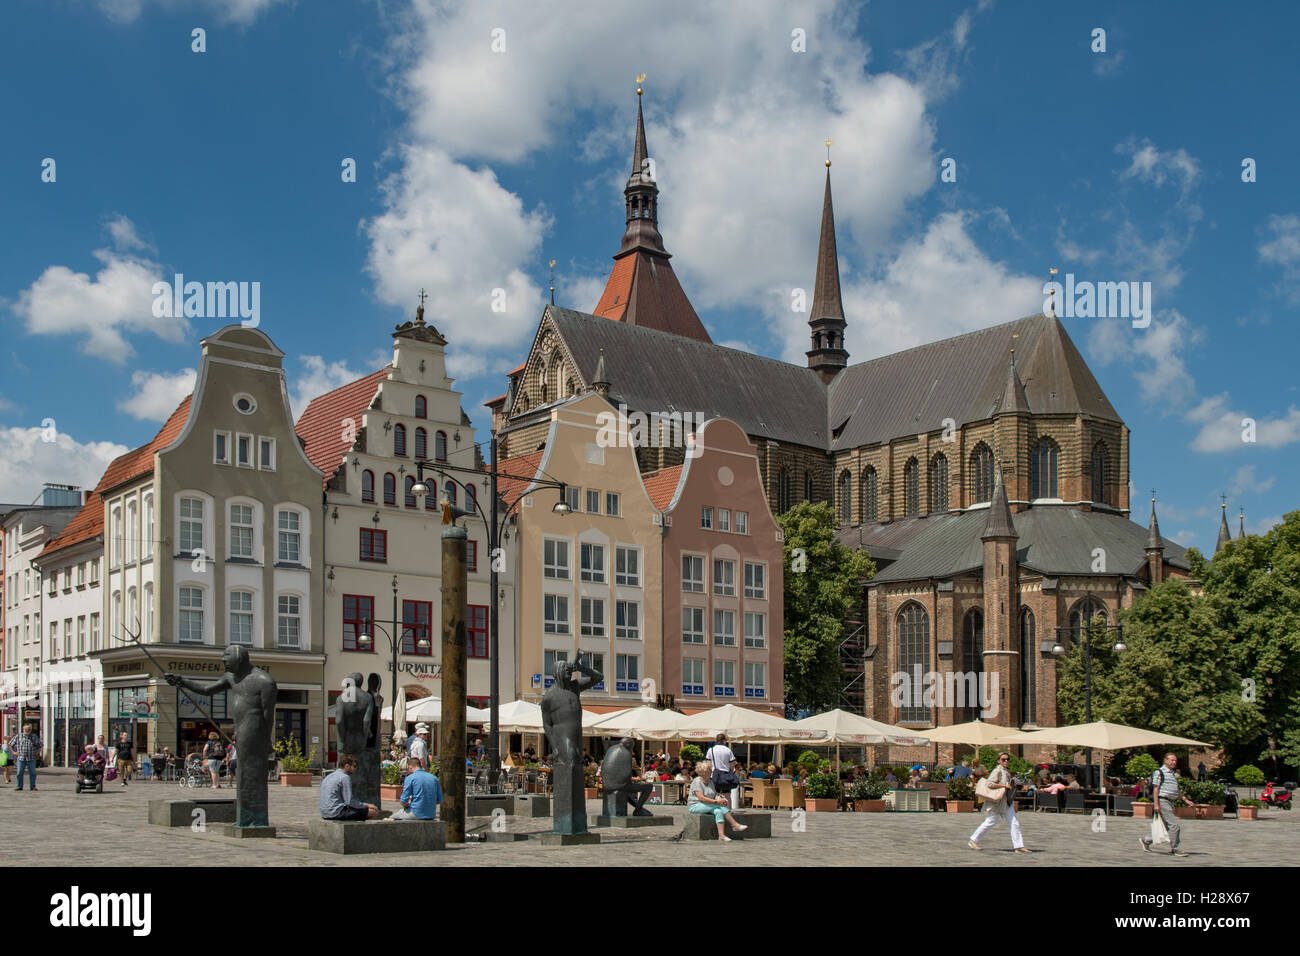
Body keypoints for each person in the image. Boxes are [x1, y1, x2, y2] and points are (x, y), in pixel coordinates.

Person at [969, 752, 1029, 853]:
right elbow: (990, 784)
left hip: (1006, 801)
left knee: (1014, 822)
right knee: (990, 821)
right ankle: (973, 840)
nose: (1006, 761)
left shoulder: (1005, 771)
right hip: (997, 801)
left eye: (1007, 759)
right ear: (998, 761)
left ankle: (1018, 846)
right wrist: (1004, 786)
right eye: (1003, 759)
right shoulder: (997, 770)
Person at [1140, 753, 1195, 857]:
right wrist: (1156, 804)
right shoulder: (1159, 772)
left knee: (1166, 827)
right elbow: (1156, 789)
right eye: (1172, 760)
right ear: (1165, 760)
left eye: (1175, 761)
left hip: (1171, 802)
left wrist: (1185, 799)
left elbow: (1176, 789)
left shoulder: (1173, 774)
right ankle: (1176, 849)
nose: (1174, 762)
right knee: (1174, 826)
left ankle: (1146, 840)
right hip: (1163, 801)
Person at [687, 760, 749, 842]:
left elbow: (715, 794)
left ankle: (721, 835)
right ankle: (734, 824)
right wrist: (717, 802)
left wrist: (719, 798)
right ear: (704, 772)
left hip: (707, 805)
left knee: (718, 811)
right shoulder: (697, 781)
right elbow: (701, 798)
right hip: (695, 805)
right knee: (719, 806)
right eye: (709, 770)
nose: (711, 772)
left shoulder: (710, 781)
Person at [319, 753, 378, 820]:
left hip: (324, 813)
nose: (355, 769)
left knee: (361, 811)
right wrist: (366, 805)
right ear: (347, 766)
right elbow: (349, 802)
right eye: (354, 766)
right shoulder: (345, 777)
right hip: (336, 813)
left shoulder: (329, 776)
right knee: (373, 812)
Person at [389, 756, 442, 820]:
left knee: (392, 817)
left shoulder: (410, 778)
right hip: (431, 814)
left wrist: (409, 803)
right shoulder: (434, 778)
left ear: (410, 767)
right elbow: (439, 800)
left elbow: (403, 801)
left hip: (415, 813)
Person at [8, 723, 42, 791]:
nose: (27, 730)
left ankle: (32, 786)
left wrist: (37, 752)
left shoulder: (34, 736)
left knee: (32, 773)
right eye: (25, 729)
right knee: (19, 773)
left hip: (31, 758)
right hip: (21, 758)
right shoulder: (18, 736)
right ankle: (19, 786)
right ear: (23, 729)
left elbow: (40, 745)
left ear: (31, 730)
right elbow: (10, 744)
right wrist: (13, 752)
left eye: (29, 729)